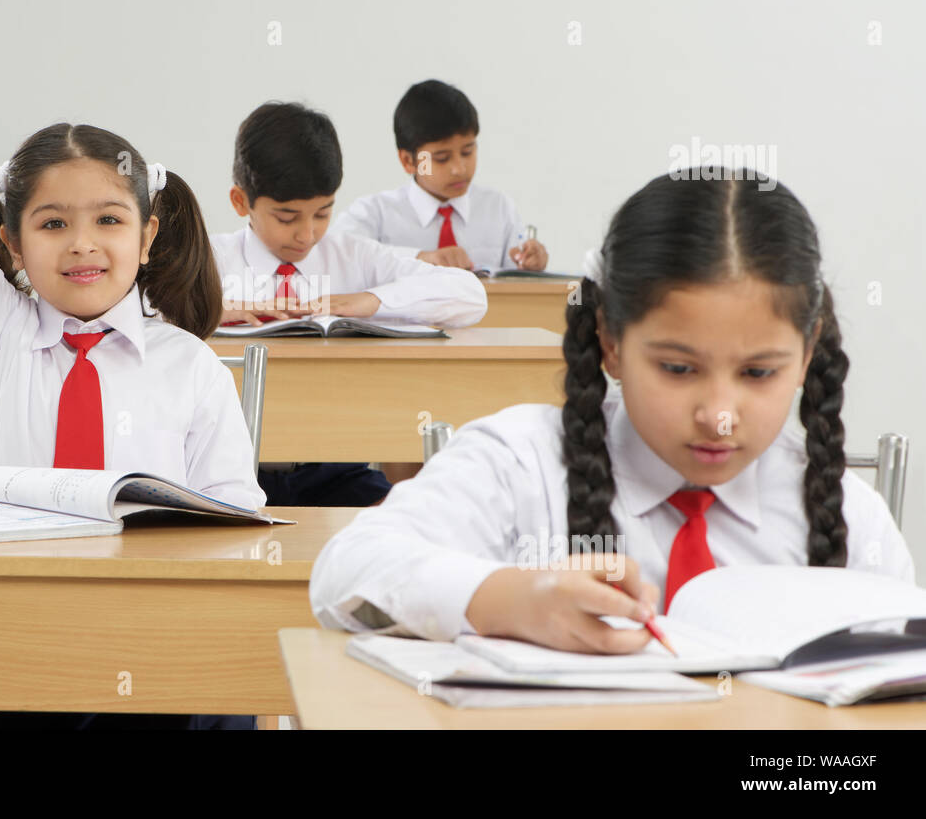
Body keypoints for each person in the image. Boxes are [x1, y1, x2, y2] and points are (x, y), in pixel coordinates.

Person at [0, 0, 261, 728]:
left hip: (147, 647)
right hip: (2, 638)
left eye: (108, 220)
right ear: (11, 244)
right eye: (52, 223)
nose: (82, 245)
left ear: (148, 232)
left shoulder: (188, 366)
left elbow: (237, 526)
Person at [310, 170, 913, 650]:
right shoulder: (521, 464)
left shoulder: (851, 518)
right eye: (678, 369)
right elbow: (345, 573)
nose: (718, 415)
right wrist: (512, 599)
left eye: (758, 373)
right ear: (611, 345)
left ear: (807, 356)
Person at [211, 100, 486, 506]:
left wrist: (370, 300)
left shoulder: (352, 256)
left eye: (322, 213)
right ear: (241, 202)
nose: (307, 235)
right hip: (230, 468)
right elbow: (135, 305)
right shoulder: (208, 260)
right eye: (287, 218)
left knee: (404, 521)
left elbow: (469, 295)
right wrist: (201, 309)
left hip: (332, 466)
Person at [332, 79, 548, 273]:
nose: (459, 168)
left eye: (467, 152)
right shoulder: (376, 213)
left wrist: (532, 263)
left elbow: (518, 279)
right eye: (442, 158)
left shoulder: (498, 208)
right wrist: (419, 258)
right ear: (408, 161)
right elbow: (339, 254)